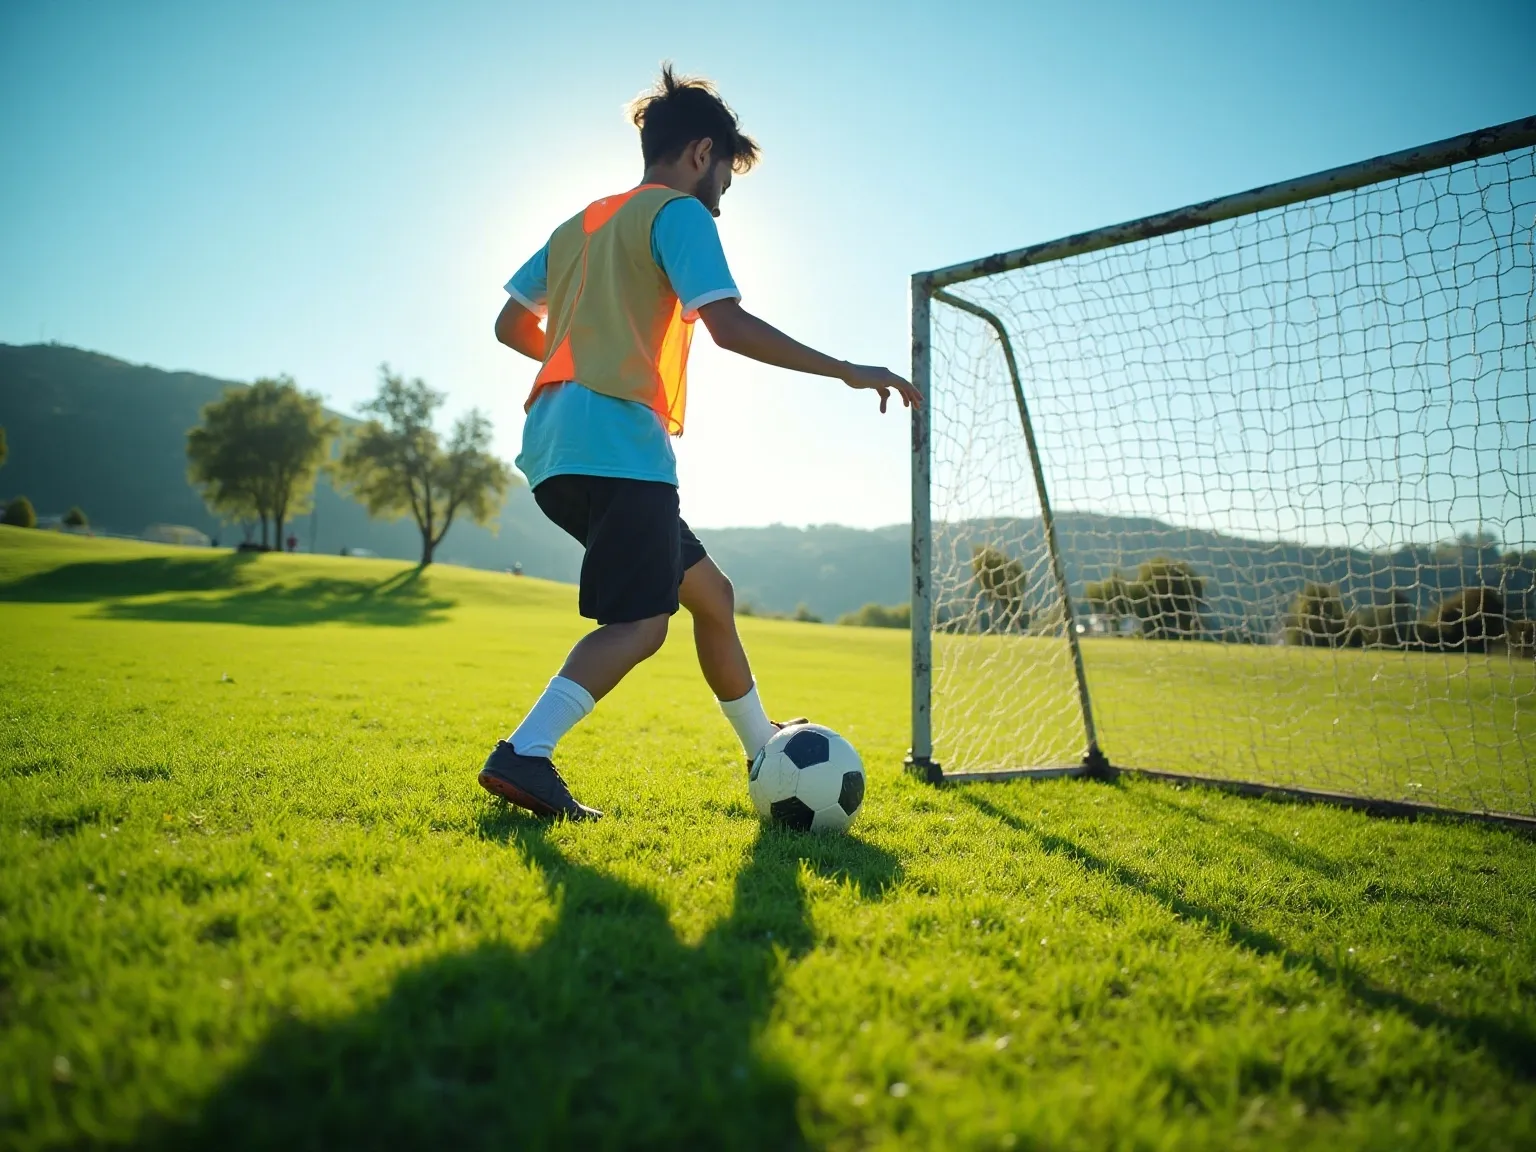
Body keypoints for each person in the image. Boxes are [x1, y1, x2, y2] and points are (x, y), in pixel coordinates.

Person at [482, 65, 919, 821]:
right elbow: (728, 326)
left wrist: (585, 353)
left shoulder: (581, 222)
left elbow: (511, 325)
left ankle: (762, 747)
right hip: (619, 447)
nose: (722, 192)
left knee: (710, 596)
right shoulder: (680, 215)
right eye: (724, 174)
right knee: (643, 623)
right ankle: (525, 754)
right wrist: (845, 370)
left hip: (554, 446)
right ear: (699, 154)